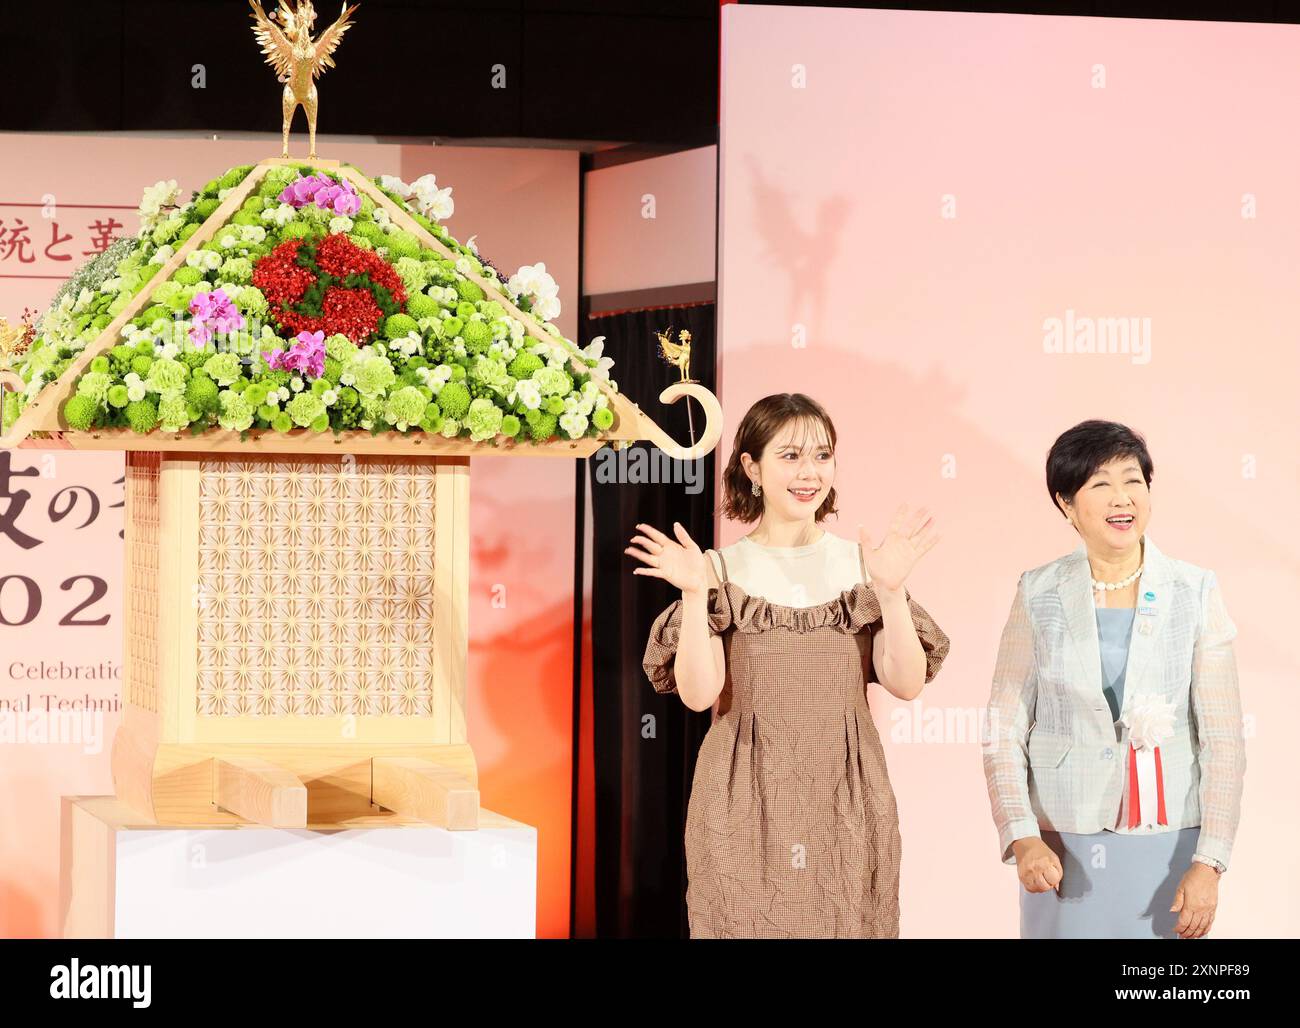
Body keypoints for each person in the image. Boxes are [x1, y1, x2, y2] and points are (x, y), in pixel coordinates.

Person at [633, 393, 949, 938]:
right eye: (791, 456)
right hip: (741, 804)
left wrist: (892, 594)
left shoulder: (862, 563)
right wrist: (691, 595)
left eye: (822, 456)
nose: (810, 473)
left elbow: (906, 683)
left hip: (846, 799)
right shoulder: (716, 568)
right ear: (752, 467)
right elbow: (697, 695)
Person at [983, 419, 1245, 939]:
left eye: (1134, 480)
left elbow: (1224, 739)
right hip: (1061, 844)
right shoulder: (1039, 591)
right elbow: (1002, 729)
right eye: (1100, 484)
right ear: (1066, 503)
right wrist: (1021, 835)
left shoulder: (1194, 590)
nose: (1121, 498)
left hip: (1171, 840)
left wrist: (1210, 861)